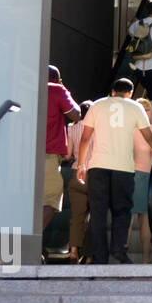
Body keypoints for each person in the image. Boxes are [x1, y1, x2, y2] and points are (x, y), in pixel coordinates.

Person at [76, 79, 152, 265]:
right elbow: (149, 136)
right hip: (123, 168)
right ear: (130, 92)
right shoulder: (135, 107)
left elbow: (85, 137)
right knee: (122, 211)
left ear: (112, 92)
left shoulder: (97, 105)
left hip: (98, 166)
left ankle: (99, 257)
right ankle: (118, 249)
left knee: (98, 213)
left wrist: (81, 165)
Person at [42, 66, 80, 239]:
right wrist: (63, 88)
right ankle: (32, 240)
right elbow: (76, 115)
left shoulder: (27, 87)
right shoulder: (55, 89)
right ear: (56, 79)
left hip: (22, 155)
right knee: (51, 199)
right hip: (48, 155)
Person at [131, 97, 152, 264]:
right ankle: (146, 258)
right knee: (145, 219)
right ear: (148, 113)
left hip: (127, 174)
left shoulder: (127, 130)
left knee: (124, 217)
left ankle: (121, 251)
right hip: (145, 175)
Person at [65, 100, 93, 263]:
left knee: (77, 217)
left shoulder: (72, 127)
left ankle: (74, 250)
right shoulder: (97, 128)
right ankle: (89, 255)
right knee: (96, 216)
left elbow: (68, 155)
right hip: (94, 174)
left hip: (76, 174)